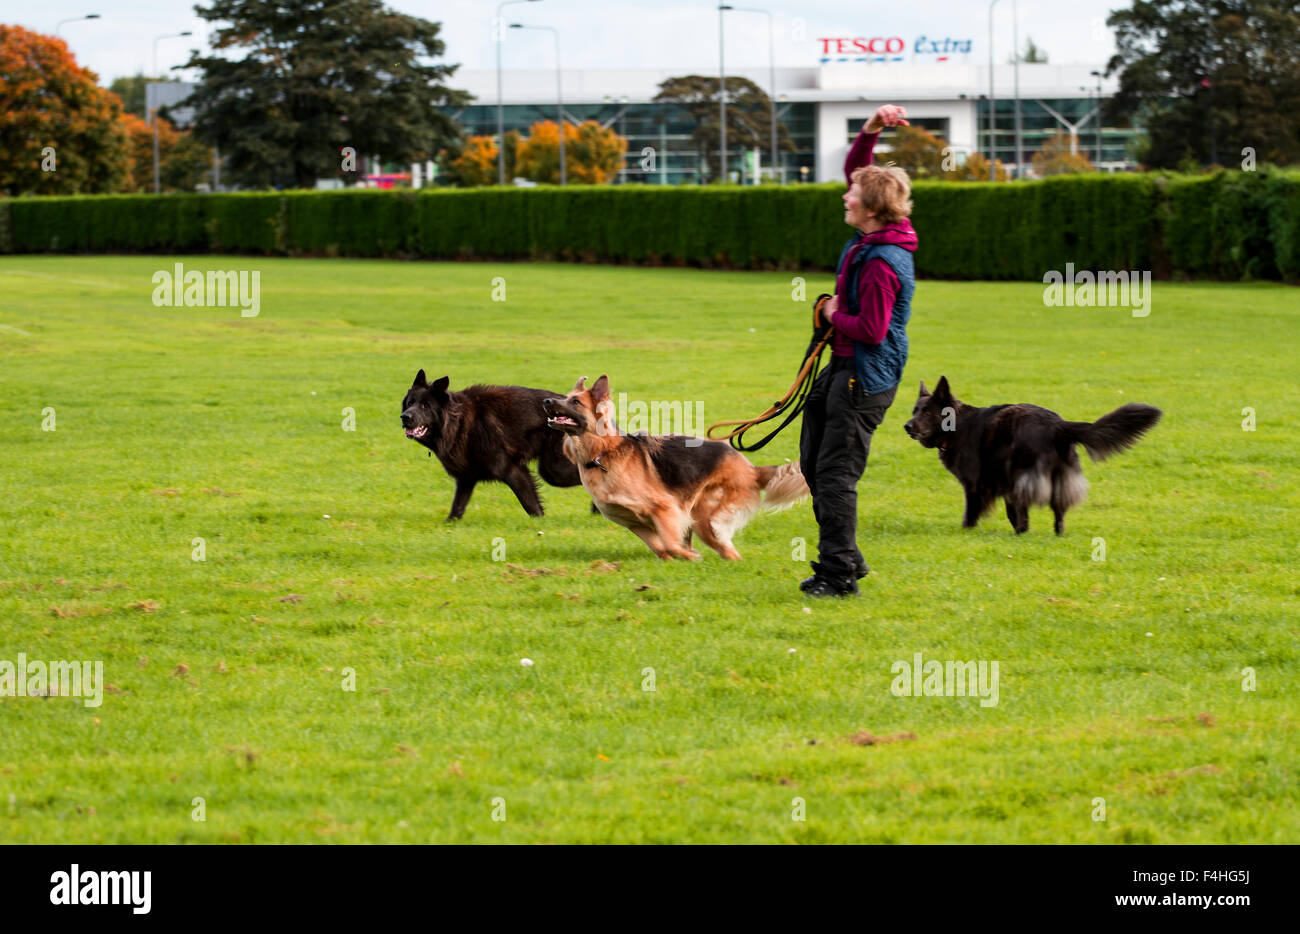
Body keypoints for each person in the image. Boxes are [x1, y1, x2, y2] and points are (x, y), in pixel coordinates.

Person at [798, 104, 918, 597]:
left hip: (862, 377)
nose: (845, 194)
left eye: (852, 194)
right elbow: (858, 173)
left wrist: (829, 315)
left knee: (835, 475)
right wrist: (870, 129)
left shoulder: (881, 263)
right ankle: (847, 557)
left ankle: (838, 574)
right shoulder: (873, 233)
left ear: (869, 208)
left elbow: (871, 328)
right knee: (813, 465)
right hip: (842, 369)